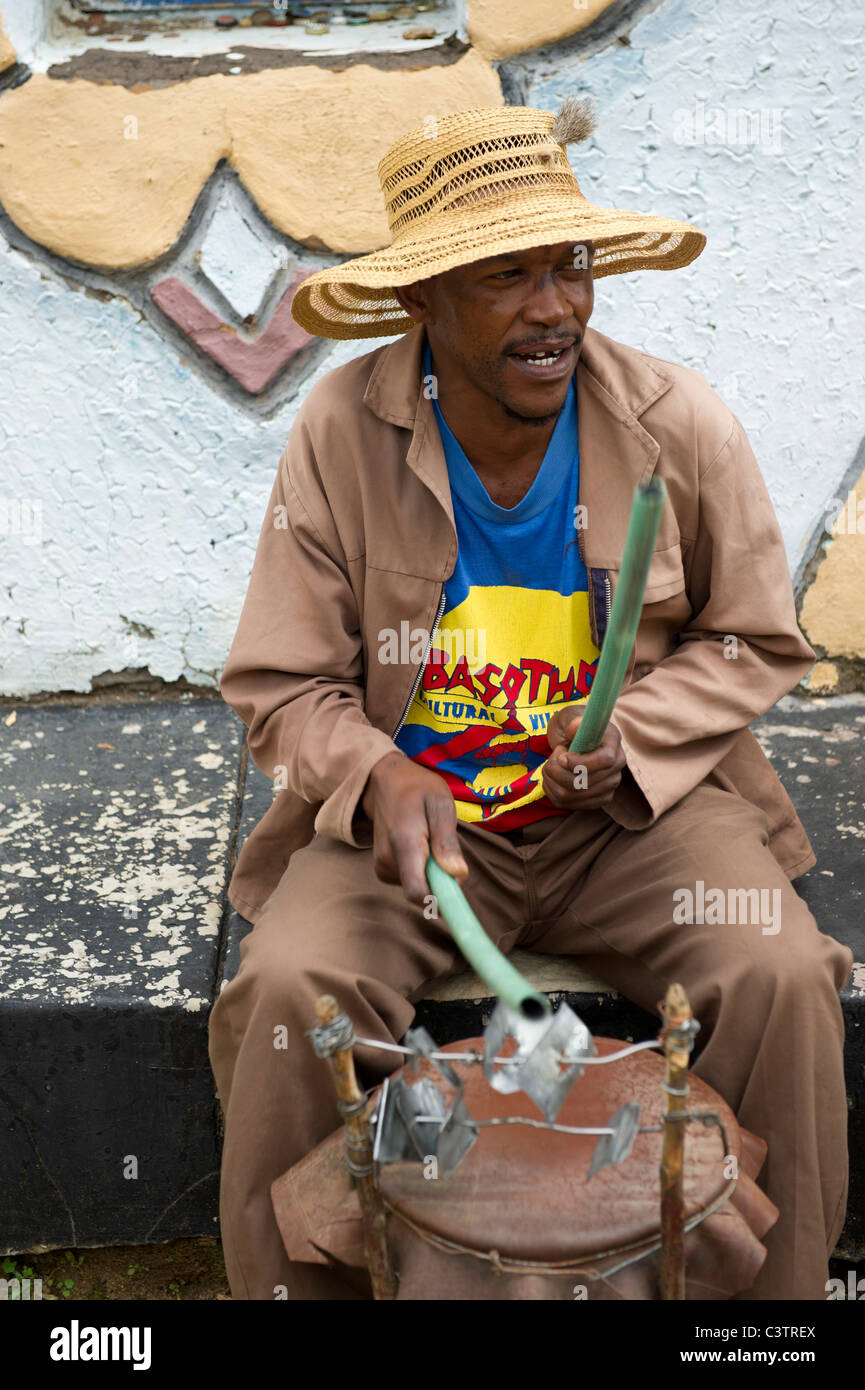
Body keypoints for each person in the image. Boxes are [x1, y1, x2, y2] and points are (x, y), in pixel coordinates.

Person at [208, 99, 852, 1301]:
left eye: (572, 266)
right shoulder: (340, 433)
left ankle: (773, 1313)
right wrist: (375, 773)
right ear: (423, 302)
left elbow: (754, 635)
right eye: (507, 277)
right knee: (290, 992)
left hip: (636, 822)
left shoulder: (676, 421)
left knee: (780, 976)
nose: (555, 308)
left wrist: (634, 736)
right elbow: (283, 683)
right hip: (423, 844)